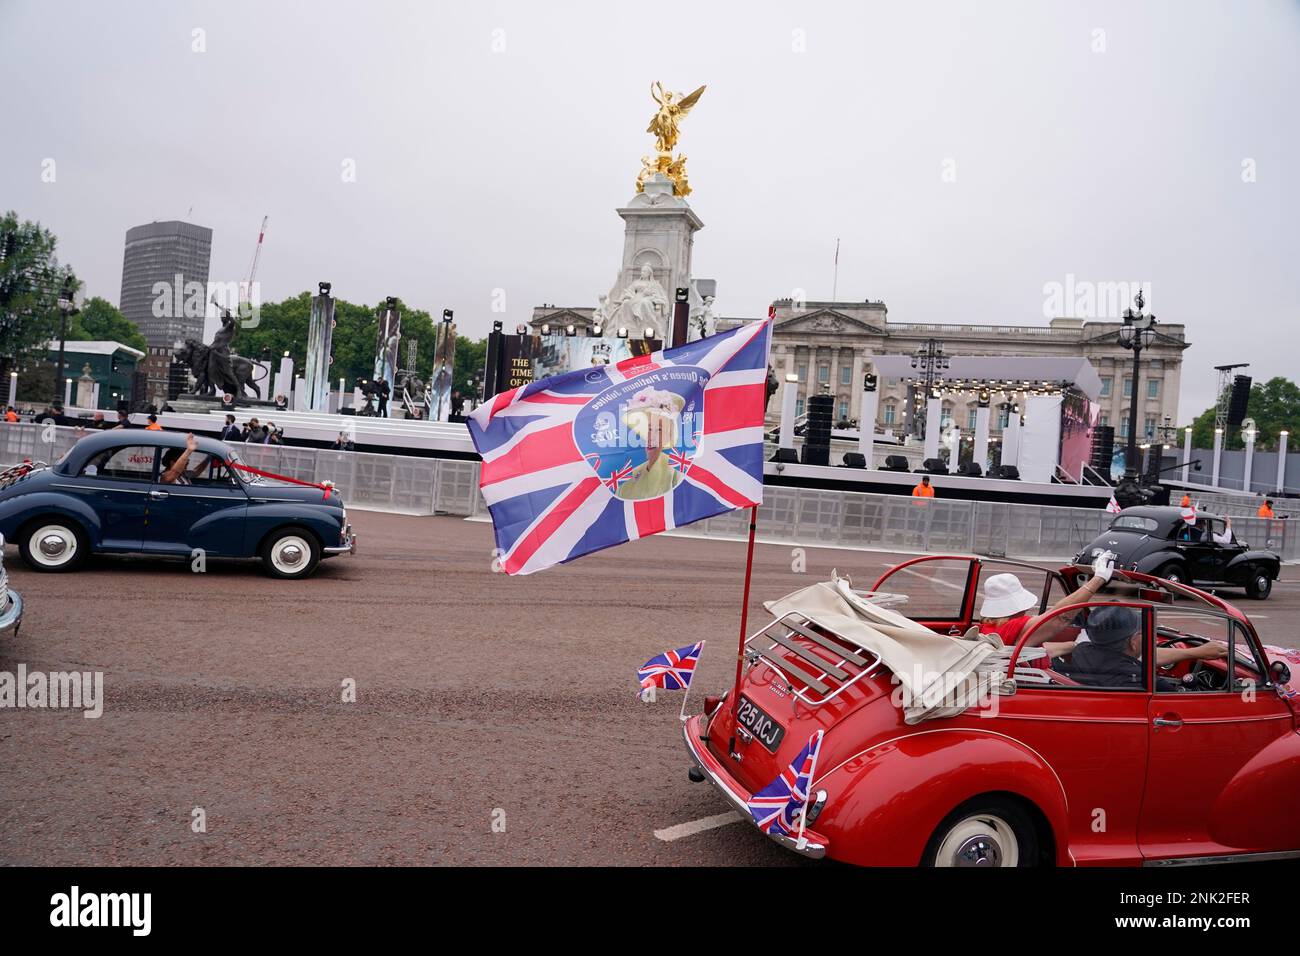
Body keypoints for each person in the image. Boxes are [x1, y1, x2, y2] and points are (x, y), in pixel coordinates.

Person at [976, 551, 1117, 658]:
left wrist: (1075, 645)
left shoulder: (989, 626)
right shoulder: (1014, 626)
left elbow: (1038, 650)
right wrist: (1098, 579)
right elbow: (1060, 617)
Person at [1069, 605, 1226, 691]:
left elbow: (1146, 656)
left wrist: (1195, 652)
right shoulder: (1147, 681)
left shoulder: (1081, 651)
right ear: (1133, 641)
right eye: (1142, 631)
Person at [614, 388, 685, 501]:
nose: (652, 436)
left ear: (669, 435)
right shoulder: (632, 477)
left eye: (659, 430)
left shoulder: (675, 476)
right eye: (650, 429)